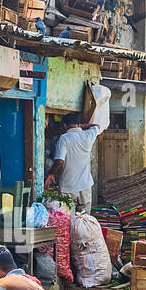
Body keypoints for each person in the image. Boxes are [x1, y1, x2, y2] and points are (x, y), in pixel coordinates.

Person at [45, 84, 110, 212]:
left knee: (70, 221)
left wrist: (51, 174)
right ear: (77, 123)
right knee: (85, 219)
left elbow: (59, 161)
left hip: (69, 187)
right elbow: (96, 126)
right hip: (85, 186)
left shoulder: (64, 139)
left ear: (64, 125)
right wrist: (81, 125)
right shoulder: (88, 135)